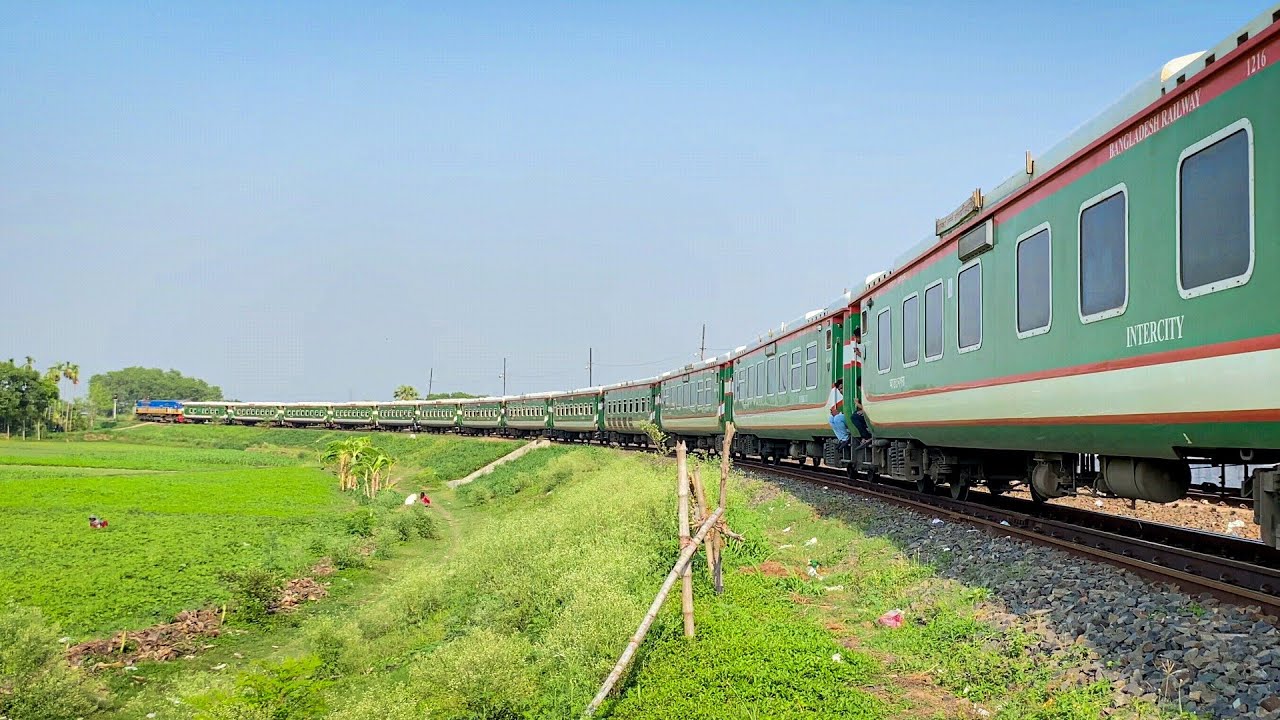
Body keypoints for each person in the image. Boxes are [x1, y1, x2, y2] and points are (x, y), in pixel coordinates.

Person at [828, 378, 850, 451]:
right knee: (831, 418)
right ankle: (841, 439)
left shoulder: (853, 394)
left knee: (838, 418)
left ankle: (845, 438)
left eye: (842, 388)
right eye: (839, 389)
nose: (841, 390)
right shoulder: (844, 398)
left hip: (852, 418)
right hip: (848, 417)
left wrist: (839, 414)